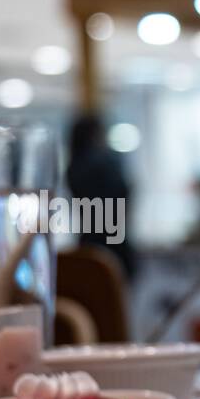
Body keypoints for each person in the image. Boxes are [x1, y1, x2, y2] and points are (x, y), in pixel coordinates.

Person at [65, 114, 138, 279]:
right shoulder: (107, 162)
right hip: (114, 243)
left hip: (87, 243)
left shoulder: (73, 167)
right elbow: (122, 197)